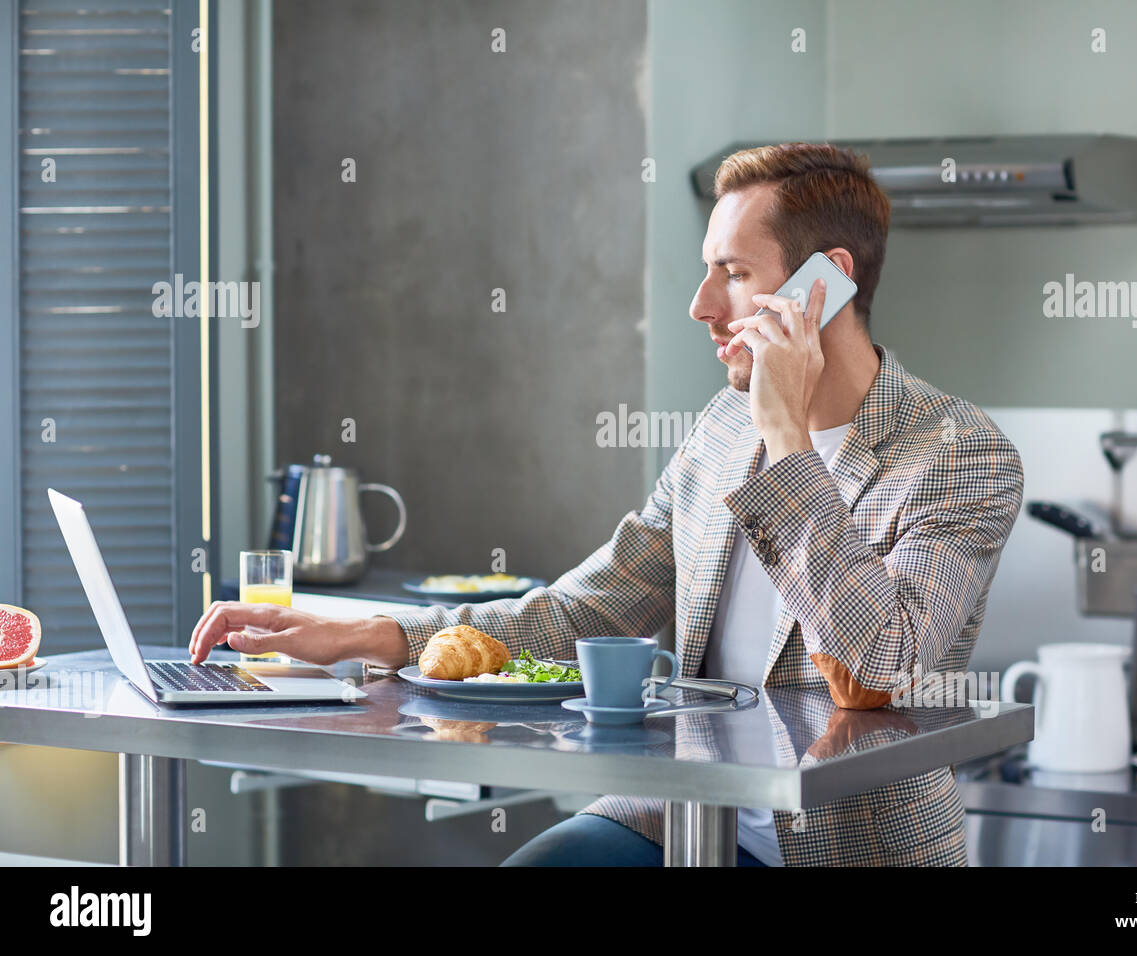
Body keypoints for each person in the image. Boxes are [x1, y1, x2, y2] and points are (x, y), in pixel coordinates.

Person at [190, 142, 1025, 866]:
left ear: (825, 286)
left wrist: (787, 438)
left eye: (734, 274)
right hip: (675, 821)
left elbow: (877, 674)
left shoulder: (956, 454)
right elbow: (595, 605)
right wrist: (376, 634)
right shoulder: (721, 429)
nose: (701, 304)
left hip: (847, 852)